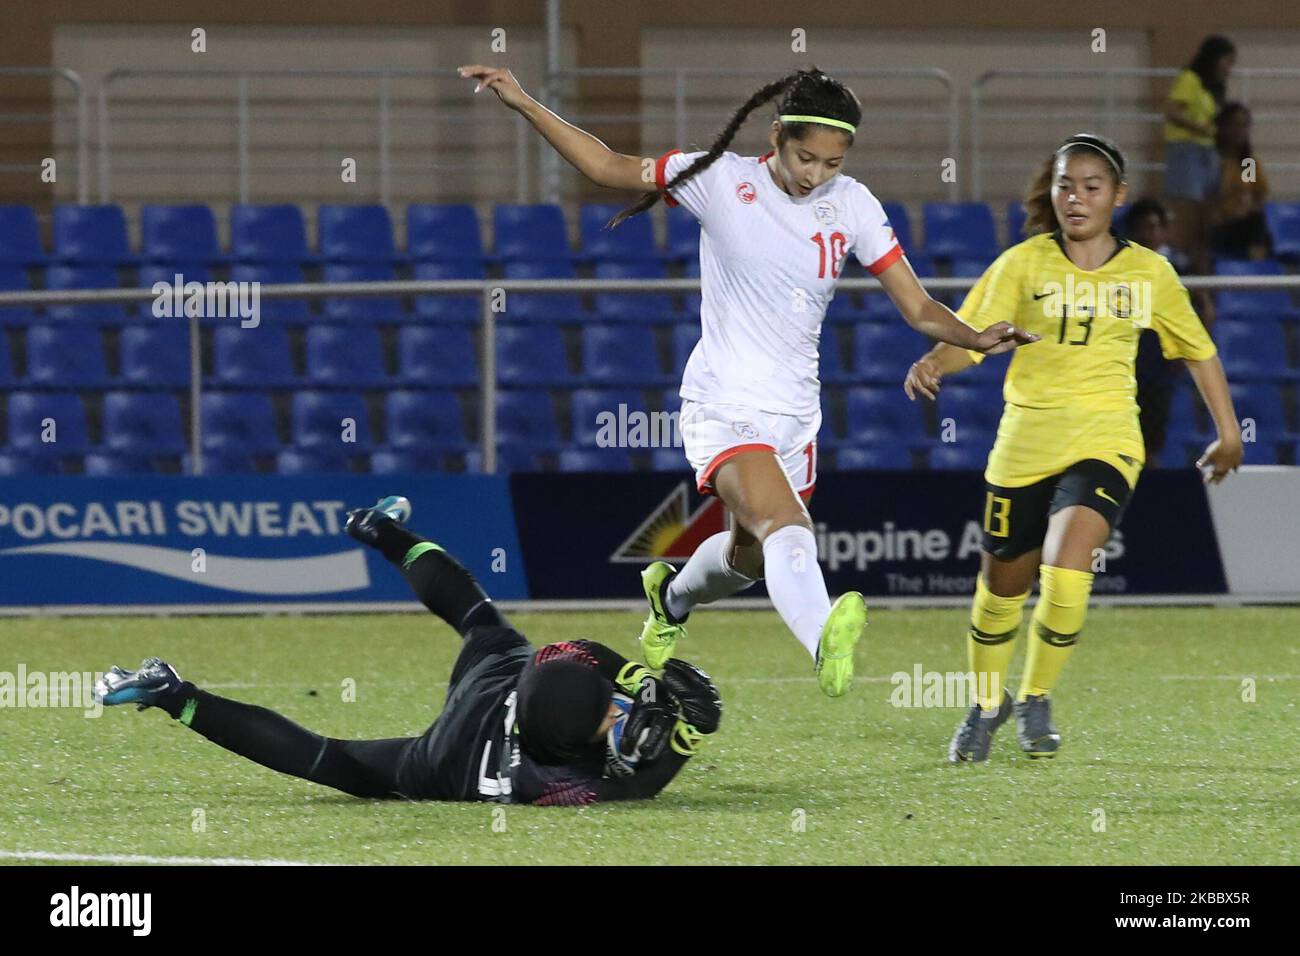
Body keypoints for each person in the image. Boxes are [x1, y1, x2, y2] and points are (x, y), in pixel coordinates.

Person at [457, 63, 1037, 697]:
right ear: (777, 134)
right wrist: (524, 103)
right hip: (722, 403)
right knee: (789, 526)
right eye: (805, 155)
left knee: (746, 560)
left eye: (831, 162)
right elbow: (607, 166)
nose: (815, 173)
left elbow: (919, 308)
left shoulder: (854, 206)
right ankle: (824, 636)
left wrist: (975, 337)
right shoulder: (721, 179)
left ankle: (671, 598)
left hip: (795, 417)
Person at [902, 134, 1242, 763]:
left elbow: (1197, 347)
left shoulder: (1149, 272)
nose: (1076, 197)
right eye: (1065, 185)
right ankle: (984, 704)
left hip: (1107, 438)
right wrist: (934, 360)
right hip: (1025, 441)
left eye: (1091, 186)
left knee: (1067, 567)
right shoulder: (1023, 264)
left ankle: (1035, 697)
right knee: (1002, 588)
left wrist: (1228, 430)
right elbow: (973, 339)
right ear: (1052, 192)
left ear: (1118, 195)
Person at [94, 496, 722, 805]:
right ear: (574, 749)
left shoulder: (556, 678)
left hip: (500, 689)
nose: (620, 709)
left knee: (480, 622)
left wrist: (635, 678)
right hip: (453, 759)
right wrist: (684, 741)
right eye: (611, 714)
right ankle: (175, 696)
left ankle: (383, 531)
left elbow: (577, 653)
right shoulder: (556, 781)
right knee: (336, 763)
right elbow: (635, 792)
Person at [1123, 197, 1216, 462]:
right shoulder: (1120, 267)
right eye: (1143, 228)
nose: (1149, 234)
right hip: (1125, 364)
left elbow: (1206, 310)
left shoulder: (1181, 268)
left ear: (1164, 230)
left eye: (1154, 227)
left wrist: (1185, 352)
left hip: (1161, 367)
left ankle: (1150, 490)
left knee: (1152, 440)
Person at [1162, 34, 1236, 274]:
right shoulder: (1190, 79)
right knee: (1189, 209)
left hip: (1207, 151)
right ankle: (1183, 261)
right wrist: (1200, 128)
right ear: (1214, 59)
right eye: (1227, 62)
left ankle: (1200, 262)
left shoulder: (1213, 88)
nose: (1229, 69)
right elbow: (1173, 112)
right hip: (1187, 150)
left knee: (1207, 210)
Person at [1211, 102, 1273, 261]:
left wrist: (1245, 210)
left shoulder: (1247, 163)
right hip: (1218, 226)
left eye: (1244, 125)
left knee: (1257, 220)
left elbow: (1251, 194)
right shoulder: (1212, 160)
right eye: (1234, 124)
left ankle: (1256, 263)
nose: (1239, 130)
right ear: (1222, 127)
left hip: (1243, 223)